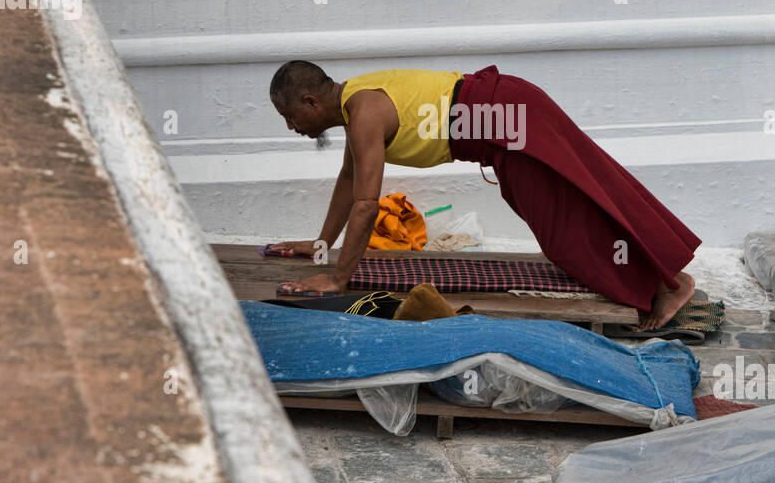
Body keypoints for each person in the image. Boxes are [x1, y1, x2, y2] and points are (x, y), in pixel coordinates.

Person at [266, 61, 702, 329]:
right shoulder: (355, 102)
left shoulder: (363, 112)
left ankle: (669, 282)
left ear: (309, 102)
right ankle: (660, 274)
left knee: (571, 220)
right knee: (577, 207)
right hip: (502, 119)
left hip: (507, 119)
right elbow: (349, 180)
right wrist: (322, 246)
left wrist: (339, 279)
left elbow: (366, 203)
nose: (291, 127)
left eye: (289, 117)